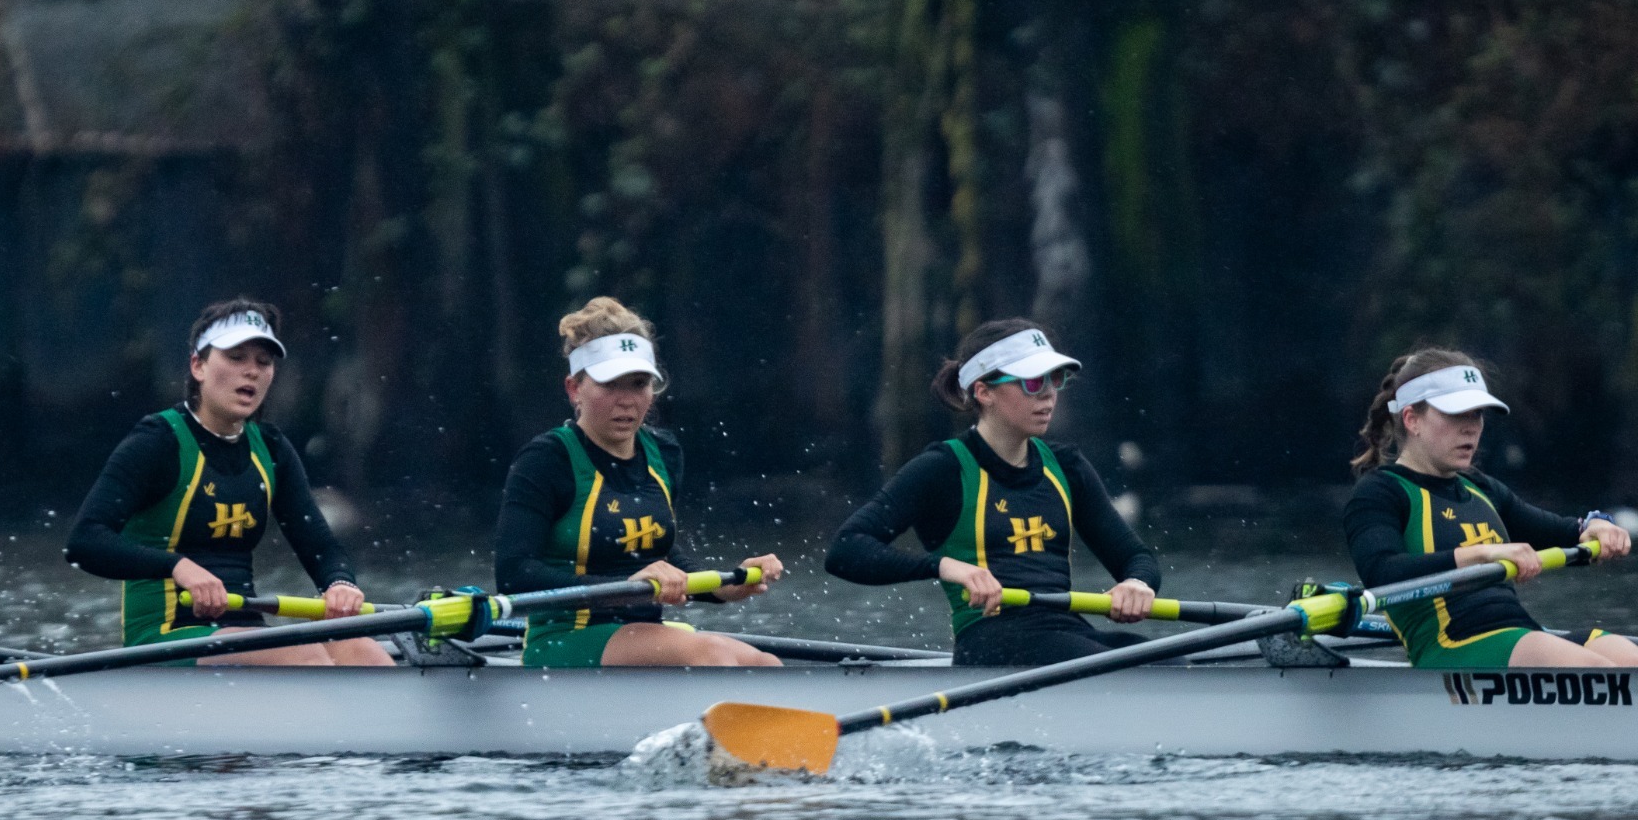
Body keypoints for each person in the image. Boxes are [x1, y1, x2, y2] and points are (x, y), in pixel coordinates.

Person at [65, 299, 390, 665]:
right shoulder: (157, 442)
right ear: (198, 366)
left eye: (263, 362)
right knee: (307, 655)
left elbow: (320, 547)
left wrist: (339, 583)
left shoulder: (271, 449)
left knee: (363, 651)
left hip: (243, 631)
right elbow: (84, 542)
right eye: (236, 357)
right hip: (166, 639)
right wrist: (177, 566)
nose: (251, 371)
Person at [825, 318, 1163, 666]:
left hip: (1068, 635)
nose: (1049, 394)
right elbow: (846, 549)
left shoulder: (1067, 467)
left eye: (1055, 379)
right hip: (991, 641)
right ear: (984, 392)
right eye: (1032, 382)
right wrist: (944, 566)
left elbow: (1136, 557)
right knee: (1134, 667)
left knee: (1176, 664)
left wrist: (1136, 583)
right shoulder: (943, 469)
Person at [494, 297, 784, 667]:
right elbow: (514, 575)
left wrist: (728, 586)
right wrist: (623, 588)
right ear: (574, 389)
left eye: (639, 384)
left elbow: (664, 558)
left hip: (642, 634)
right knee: (716, 656)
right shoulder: (546, 459)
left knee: (767, 666)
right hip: (565, 640)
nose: (627, 401)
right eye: (611, 384)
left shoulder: (663, 451)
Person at [1344, 347, 1634, 668]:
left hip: (1518, 636)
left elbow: (1567, 532)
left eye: (1477, 414)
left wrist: (1596, 525)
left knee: (1627, 657)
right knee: (1600, 671)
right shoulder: (1380, 492)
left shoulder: (1481, 488)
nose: (1471, 427)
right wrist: (1481, 554)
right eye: (1456, 414)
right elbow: (1382, 575)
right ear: (1412, 419)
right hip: (1451, 648)